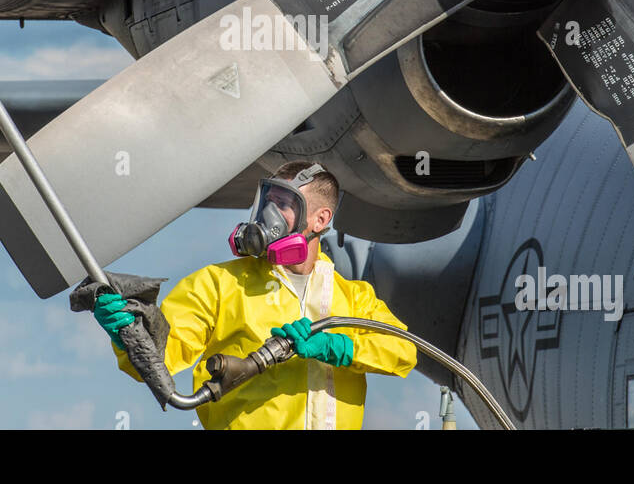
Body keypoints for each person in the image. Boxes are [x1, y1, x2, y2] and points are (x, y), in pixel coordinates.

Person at [94, 160, 417, 429]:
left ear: (320, 219)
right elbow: (157, 361)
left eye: (284, 205)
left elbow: (403, 352)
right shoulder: (218, 285)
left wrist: (340, 347)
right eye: (267, 203)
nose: (268, 216)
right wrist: (129, 334)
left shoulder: (354, 298)